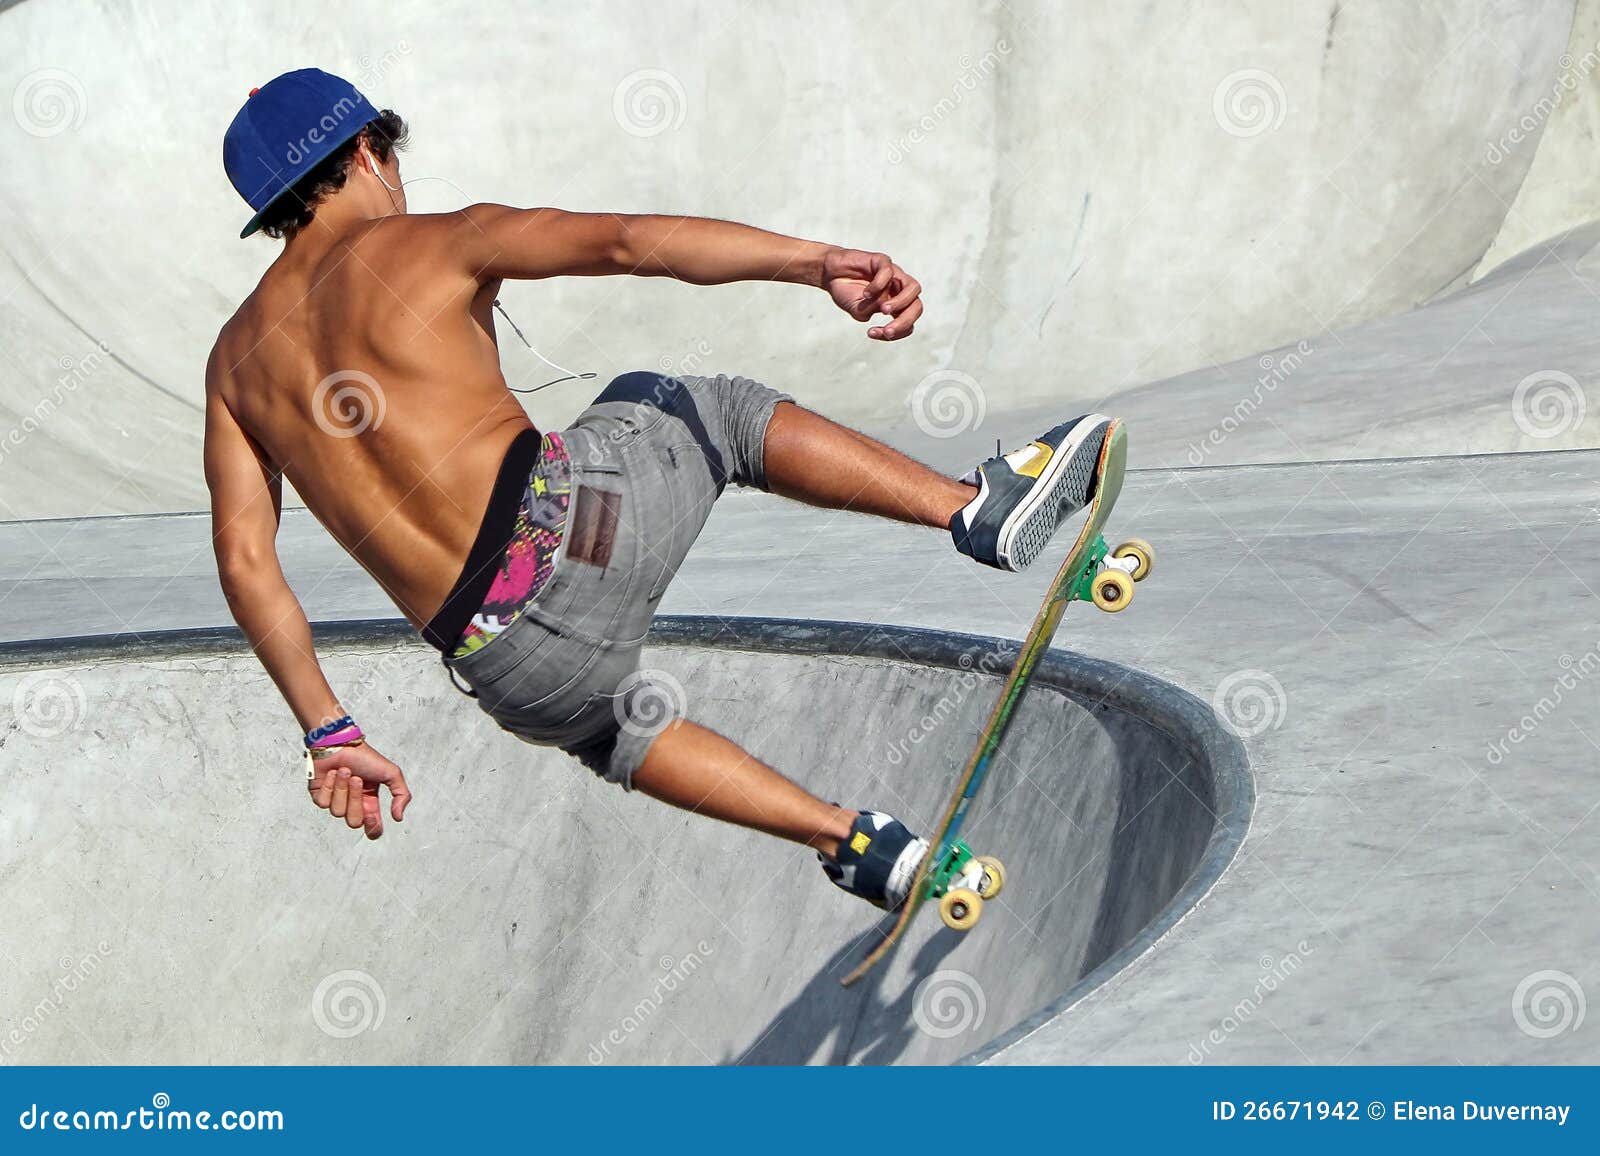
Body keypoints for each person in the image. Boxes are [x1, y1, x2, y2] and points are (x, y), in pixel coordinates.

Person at [208, 69, 1111, 911]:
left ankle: (861, 845)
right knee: (704, 410)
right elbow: (626, 242)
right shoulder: (432, 239)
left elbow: (247, 563)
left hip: (501, 668)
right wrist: (815, 260)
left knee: (614, 728)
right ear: (369, 150)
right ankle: (972, 507)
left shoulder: (234, 363)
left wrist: (328, 730)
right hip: (576, 538)